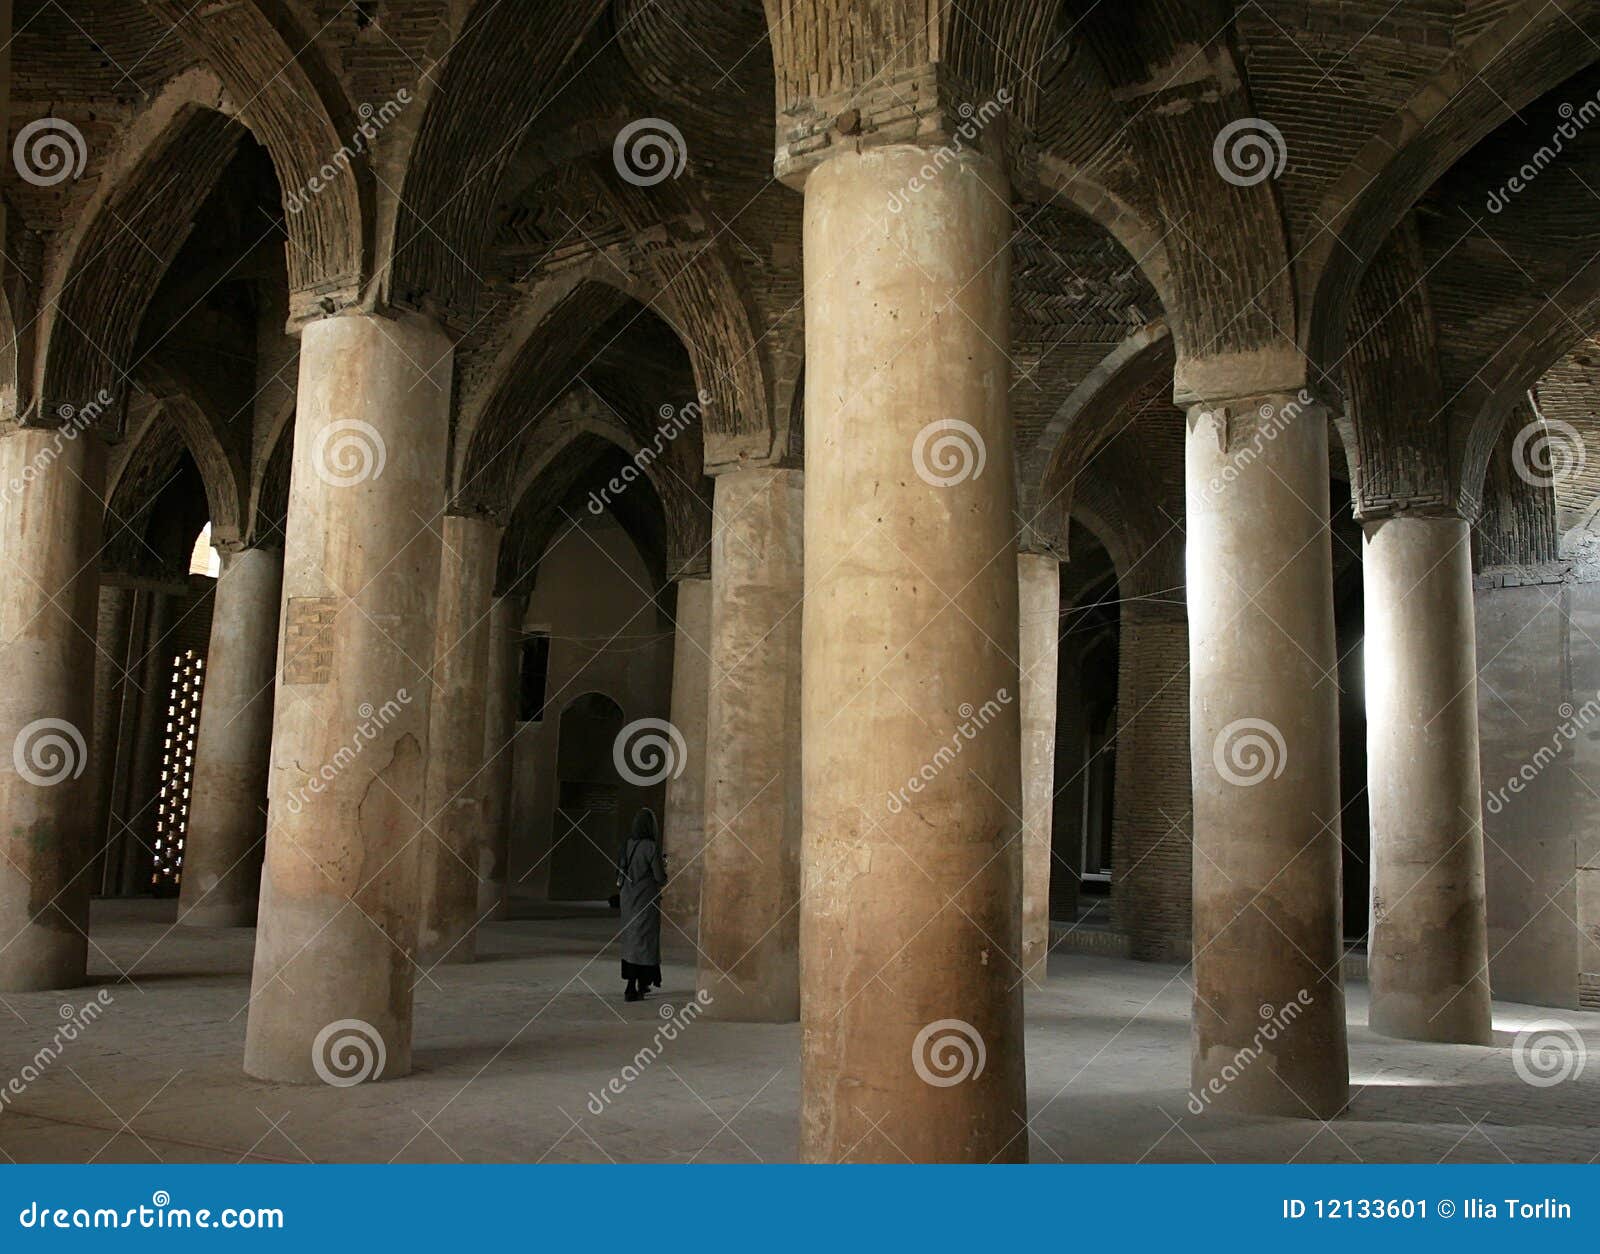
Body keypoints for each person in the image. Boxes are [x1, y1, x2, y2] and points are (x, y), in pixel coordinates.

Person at [617, 807, 666, 1002]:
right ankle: (637, 985)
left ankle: (634, 983)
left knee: (631, 940)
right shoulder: (651, 847)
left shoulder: (627, 844)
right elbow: (659, 877)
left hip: (628, 898)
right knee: (645, 941)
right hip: (646, 899)